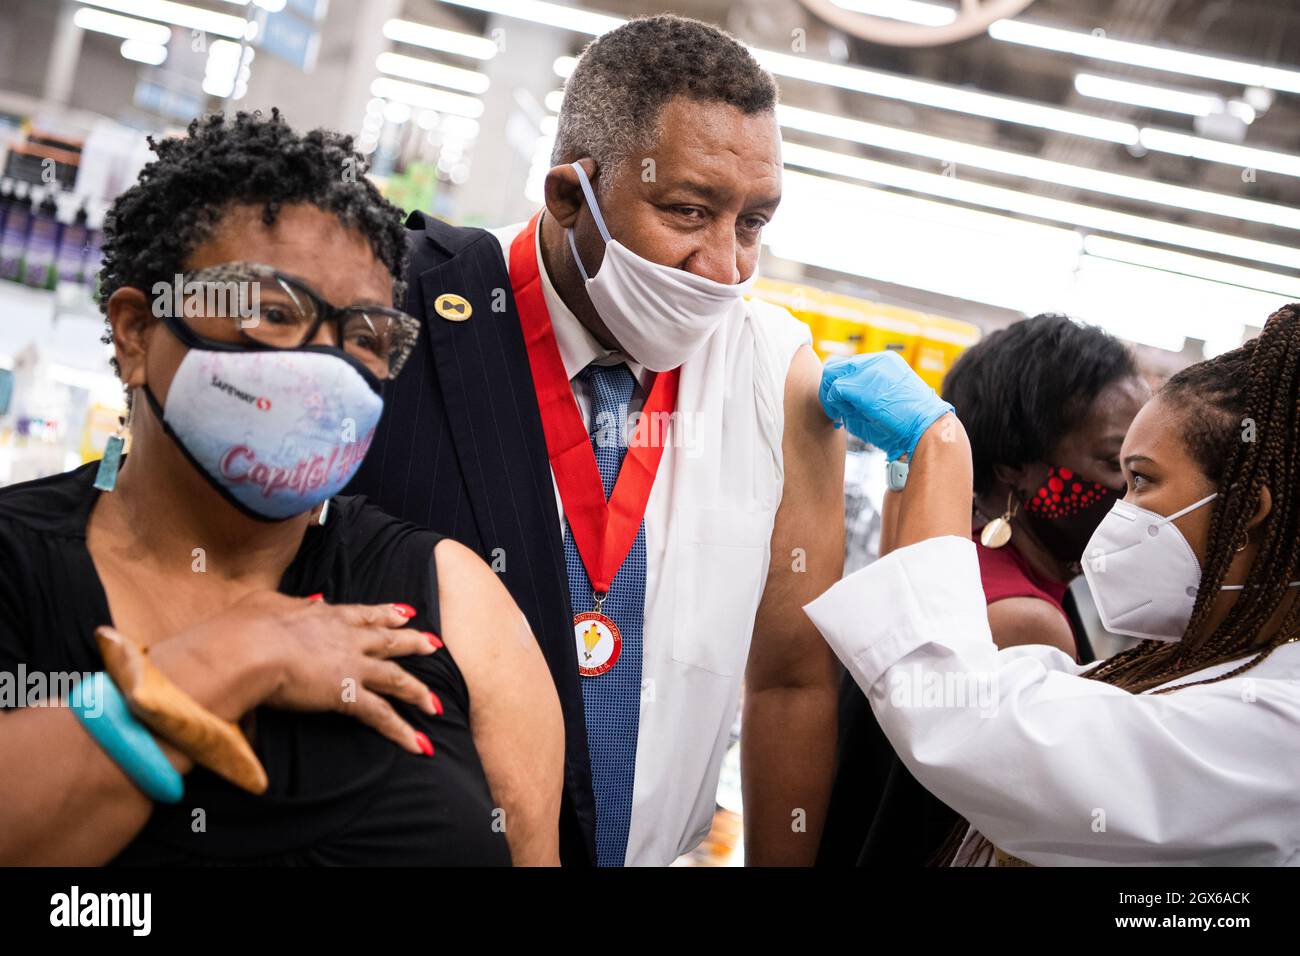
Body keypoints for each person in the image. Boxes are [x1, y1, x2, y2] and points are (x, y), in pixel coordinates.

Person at [0, 110, 563, 866]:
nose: (325, 367)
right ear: (137, 332)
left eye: (363, 335)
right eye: (270, 314)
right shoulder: (17, 564)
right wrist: (229, 659)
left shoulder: (453, 598)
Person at [347, 14, 845, 866]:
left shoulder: (776, 377)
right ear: (569, 197)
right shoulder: (409, 317)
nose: (723, 267)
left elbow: (793, 680)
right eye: (688, 211)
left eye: (753, 224)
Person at [808, 303, 1300, 865]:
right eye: (1123, 471)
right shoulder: (1214, 675)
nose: (1119, 499)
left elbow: (967, 719)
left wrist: (938, 451)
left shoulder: (1273, 724)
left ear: (1248, 511)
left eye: (1140, 478)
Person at [818, 315, 1147, 865]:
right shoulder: (1025, 620)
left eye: (1143, 470)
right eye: (1115, 463)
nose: (1129, 492)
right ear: (1016, 467)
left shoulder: (951, 555)